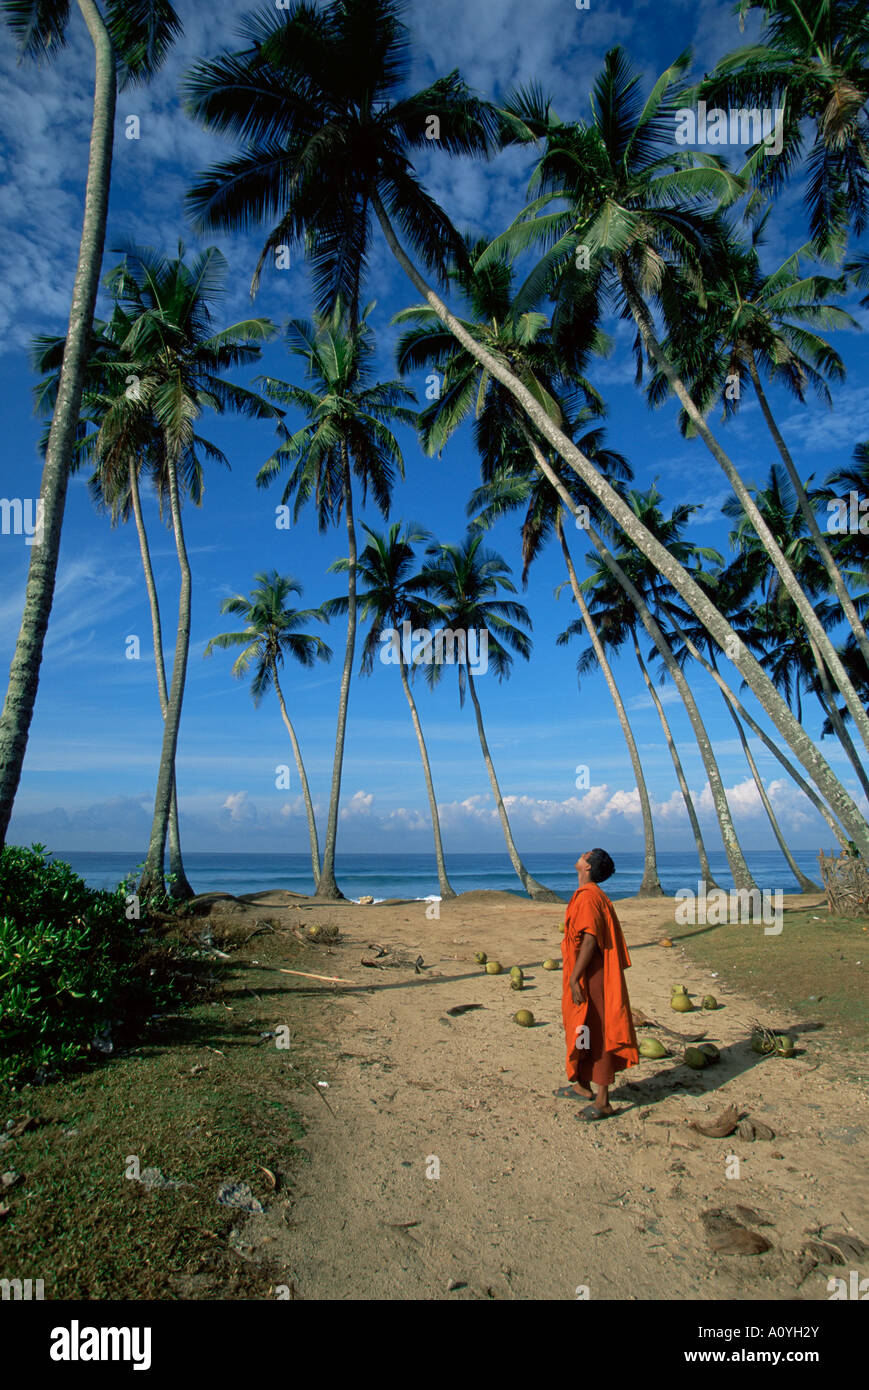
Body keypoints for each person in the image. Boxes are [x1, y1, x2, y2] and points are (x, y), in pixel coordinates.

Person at [555, 848, 639, 1119]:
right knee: (582, 1027)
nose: (580, 854)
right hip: (586, 972)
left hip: (593, 975)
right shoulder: (588, 895)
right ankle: (582, 1084)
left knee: (598, 1029)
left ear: (588, 866)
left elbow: (590, 939)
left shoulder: (590, 897)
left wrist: (574, 976)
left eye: (585, 854)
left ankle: (603, 1101)